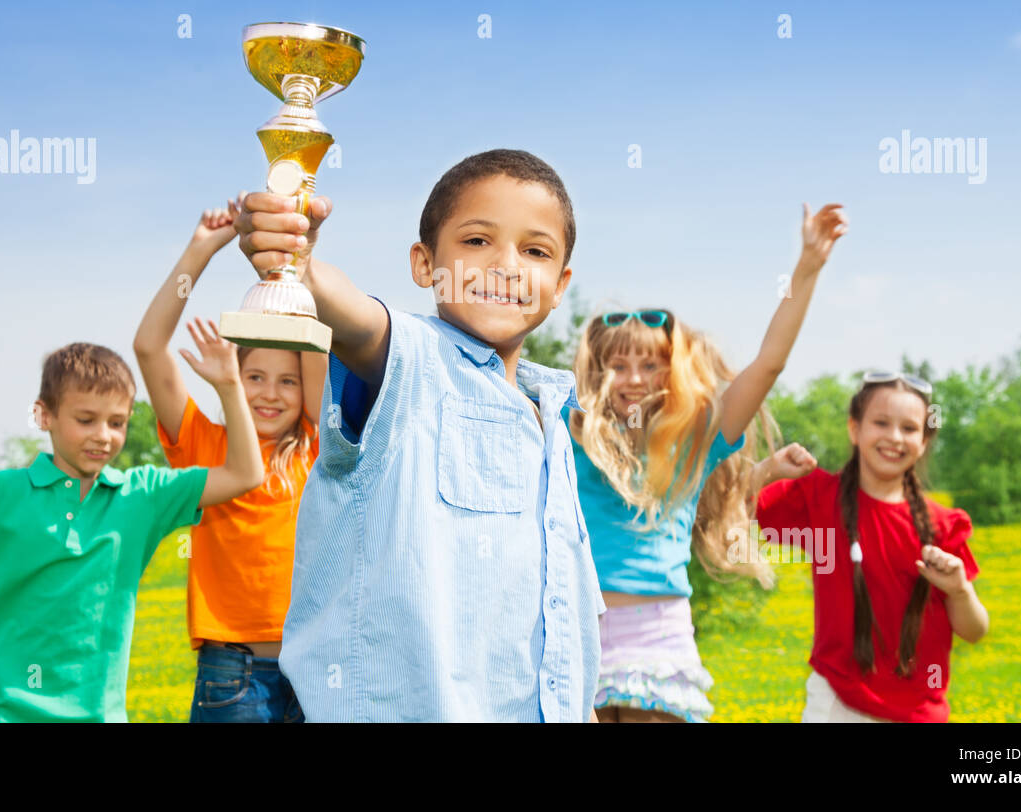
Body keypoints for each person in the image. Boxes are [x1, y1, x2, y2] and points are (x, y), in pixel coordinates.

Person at [233, 148, 602, 721]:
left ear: (560, 284)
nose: (506, 264)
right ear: (425, 264)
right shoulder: (407, 360)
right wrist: (300, 266)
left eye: (535, 251)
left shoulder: (551, 415)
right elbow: (353, 317)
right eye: (477, 241)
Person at [0, 333, 264, 722]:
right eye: (86, 420)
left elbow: (244, 474)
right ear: (44, 415)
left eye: (117, 422)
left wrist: (230, 388)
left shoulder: (142, 496)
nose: (103, 435)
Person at [568, 203, 848, 722]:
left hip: (657, 633)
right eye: (619, 365)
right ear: (598, 369)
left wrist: (806, 267)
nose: (633, 379)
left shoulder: (697, 439)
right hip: (575, 632)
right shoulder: (574, 431)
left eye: (649, 365)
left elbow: (769, 363)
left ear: (669, 372)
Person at [134, 201, 326, 723]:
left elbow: (318, 340)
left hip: (312, 667)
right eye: (255, 377)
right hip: (231, 674)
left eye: (287, 380)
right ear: (232, 378)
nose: (271, 393)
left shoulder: (313, 442)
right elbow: (149, 348)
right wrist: (201, 249)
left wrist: (291, 265)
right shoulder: (201, 442)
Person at [755, 372, 990, 722]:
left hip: (919, 714)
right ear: (854, 429)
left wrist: (959, 591)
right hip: (836, 704)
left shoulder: (942, 525)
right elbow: (722, 504)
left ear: (924, 441)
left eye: (910, 429)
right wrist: (767, 469)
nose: (894, 437)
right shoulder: (818, 497)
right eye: (881, 423)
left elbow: (975, 630)